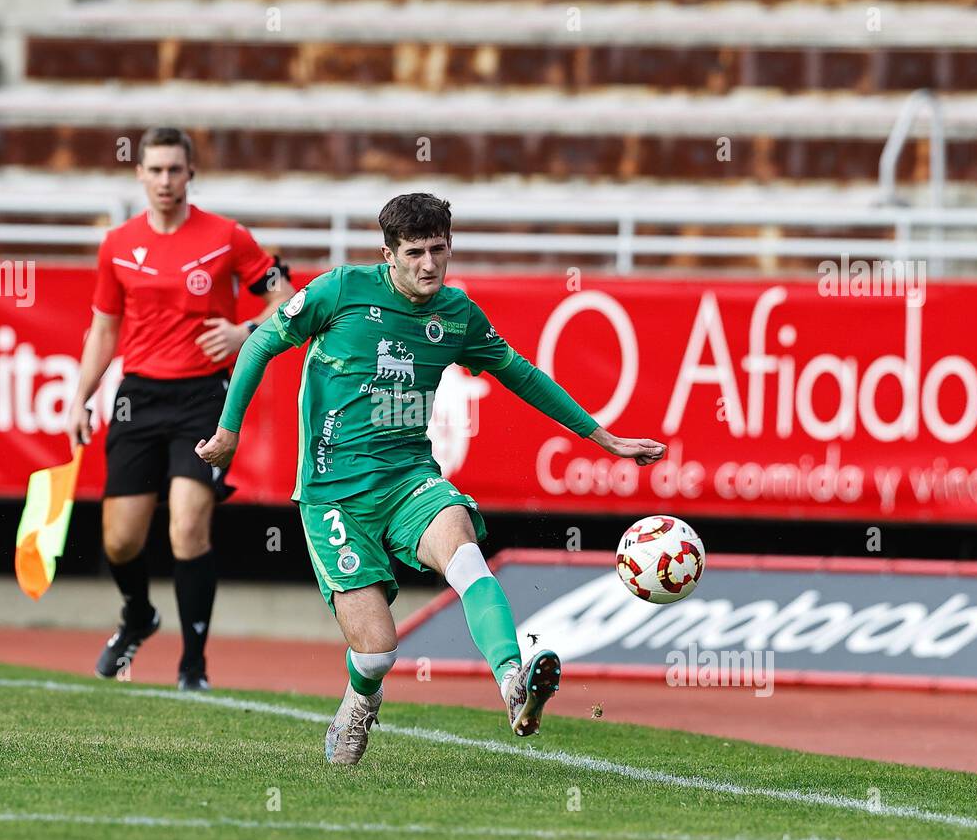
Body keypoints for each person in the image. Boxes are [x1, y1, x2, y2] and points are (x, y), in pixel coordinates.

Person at [196, 192, 666, 764]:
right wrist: (228, 432)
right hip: (333, 495)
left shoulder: (458, 314)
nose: (428, 265)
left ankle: (514, 683)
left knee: (465, 552)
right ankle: (357, 707)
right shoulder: (339, 290)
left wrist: (604, 439)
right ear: (388, 254)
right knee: (377, 652)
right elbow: (262, 343)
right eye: (414, 252)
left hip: (410, 478)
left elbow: (523, 376)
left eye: (438, 250)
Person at [66, 126, 295, 690]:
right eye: (156, 170)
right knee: (120, 539)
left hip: (203, 398)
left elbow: (286, 296)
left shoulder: (226, 237)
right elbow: (103, 327)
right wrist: (81, 396)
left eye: (175, 169)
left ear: (191, 174)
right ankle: (139, 615)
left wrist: (245, 331)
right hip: (138, 398)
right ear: (139, 175)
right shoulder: (117, 244)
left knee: (188, 528)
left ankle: (193, 665)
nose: (166, 180)